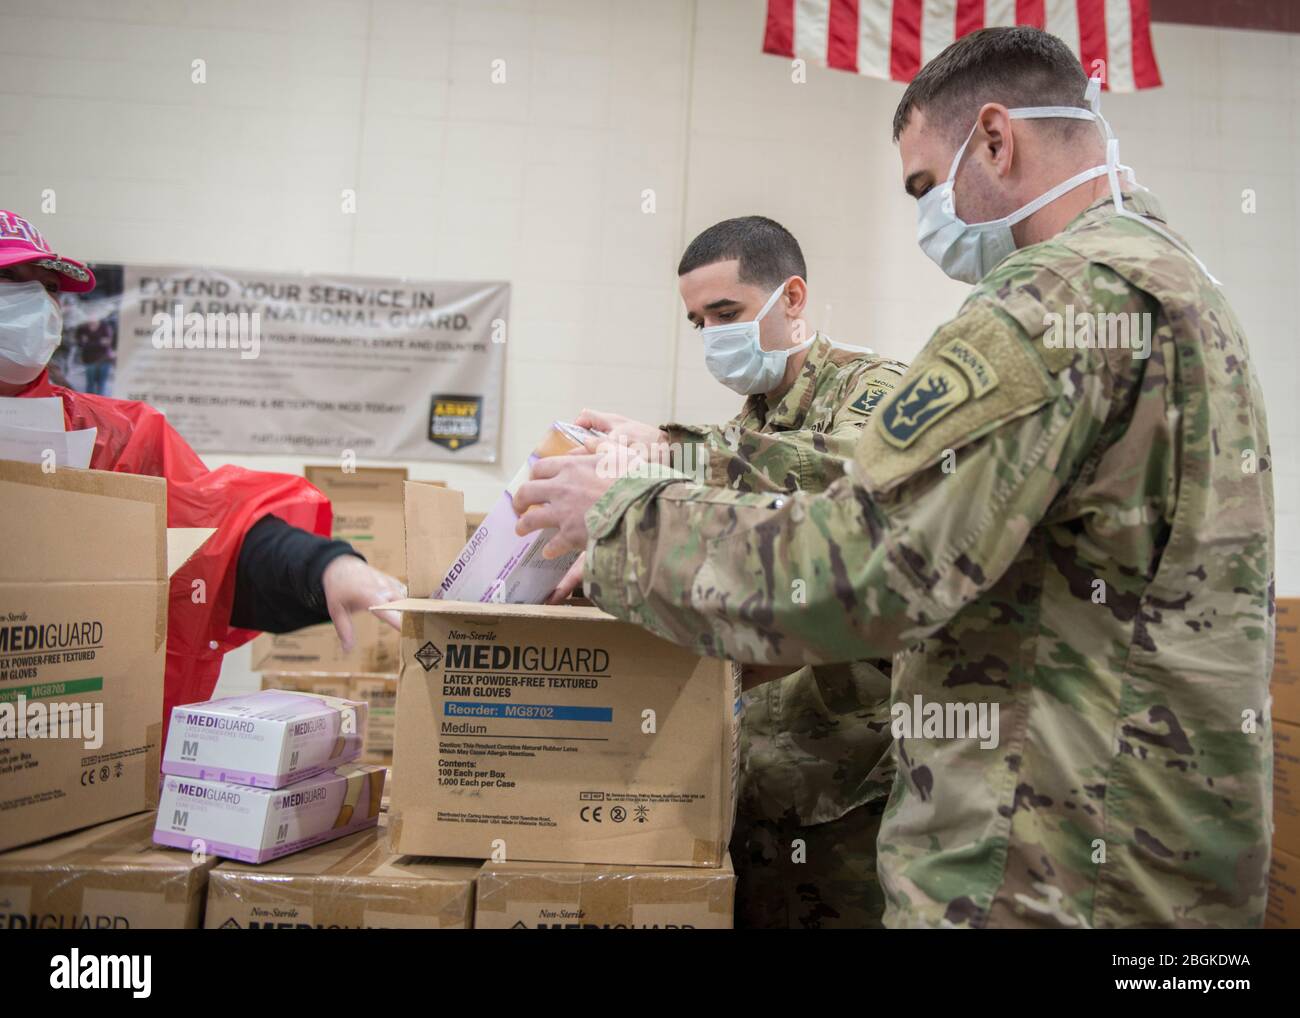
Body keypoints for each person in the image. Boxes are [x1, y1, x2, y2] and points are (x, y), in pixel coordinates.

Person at [512, 27, 1274, 928]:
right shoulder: (1173, 281)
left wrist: (622, 520)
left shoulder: (1061, 300)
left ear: (995, 139)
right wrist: (680, 458)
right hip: (1154, 863)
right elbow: (890, 482)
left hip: (1046, 871)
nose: (926, 219)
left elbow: (860, 562)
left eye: (925, 186)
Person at [559, 215, 906, 928]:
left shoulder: (877, 394)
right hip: (757, 783)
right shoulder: (753, 421)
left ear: (793, 298)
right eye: (698, 322)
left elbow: (847, 475)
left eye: (727, 313)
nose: (714, 334)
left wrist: (669, 453)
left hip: (849, 788)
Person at [0, 210, 405, 743]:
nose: (38, 306)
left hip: (66, 745)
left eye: (48, 287)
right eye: (12, 282)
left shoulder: (110, 436)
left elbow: (212, 535)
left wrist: (325, 568)